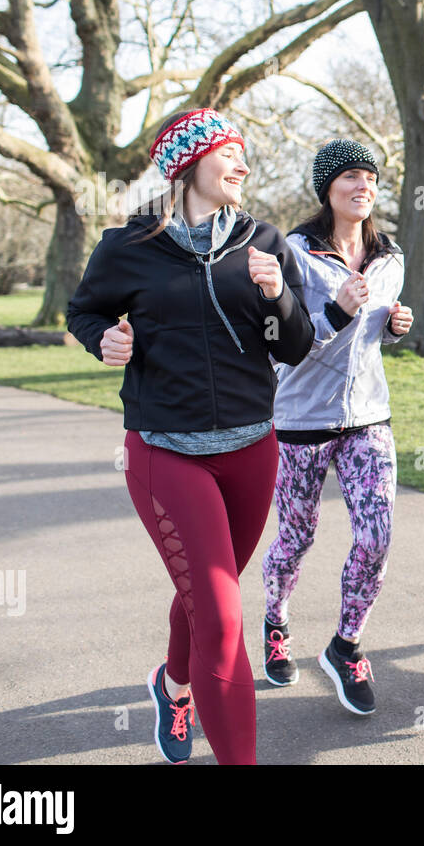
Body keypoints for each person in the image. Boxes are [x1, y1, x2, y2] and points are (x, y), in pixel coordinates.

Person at [67, 108, 314, 765]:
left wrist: (279, 297)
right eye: (230, 152)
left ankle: (172, 686)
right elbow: (84, 308)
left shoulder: (263, 242)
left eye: (244, 155)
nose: (243, 166)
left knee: (212, 592)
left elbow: (296, 345)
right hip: (166, 452)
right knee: (224, 617)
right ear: (188, 164)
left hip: (253, 450)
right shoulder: (129, 246)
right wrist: (106, 339)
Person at [260, 139, 413, 716]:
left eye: (370, 178)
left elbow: (371, 342)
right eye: (350, 176)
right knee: (296, 538)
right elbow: (282, 341)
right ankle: (276, 621)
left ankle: (346, 645)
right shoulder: (293, 253)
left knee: (377, 536)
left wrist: (392, 328)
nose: (363, 186)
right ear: (327, 188)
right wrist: (336, 313)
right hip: (301, 417)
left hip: (368, 418)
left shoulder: (390, 256)